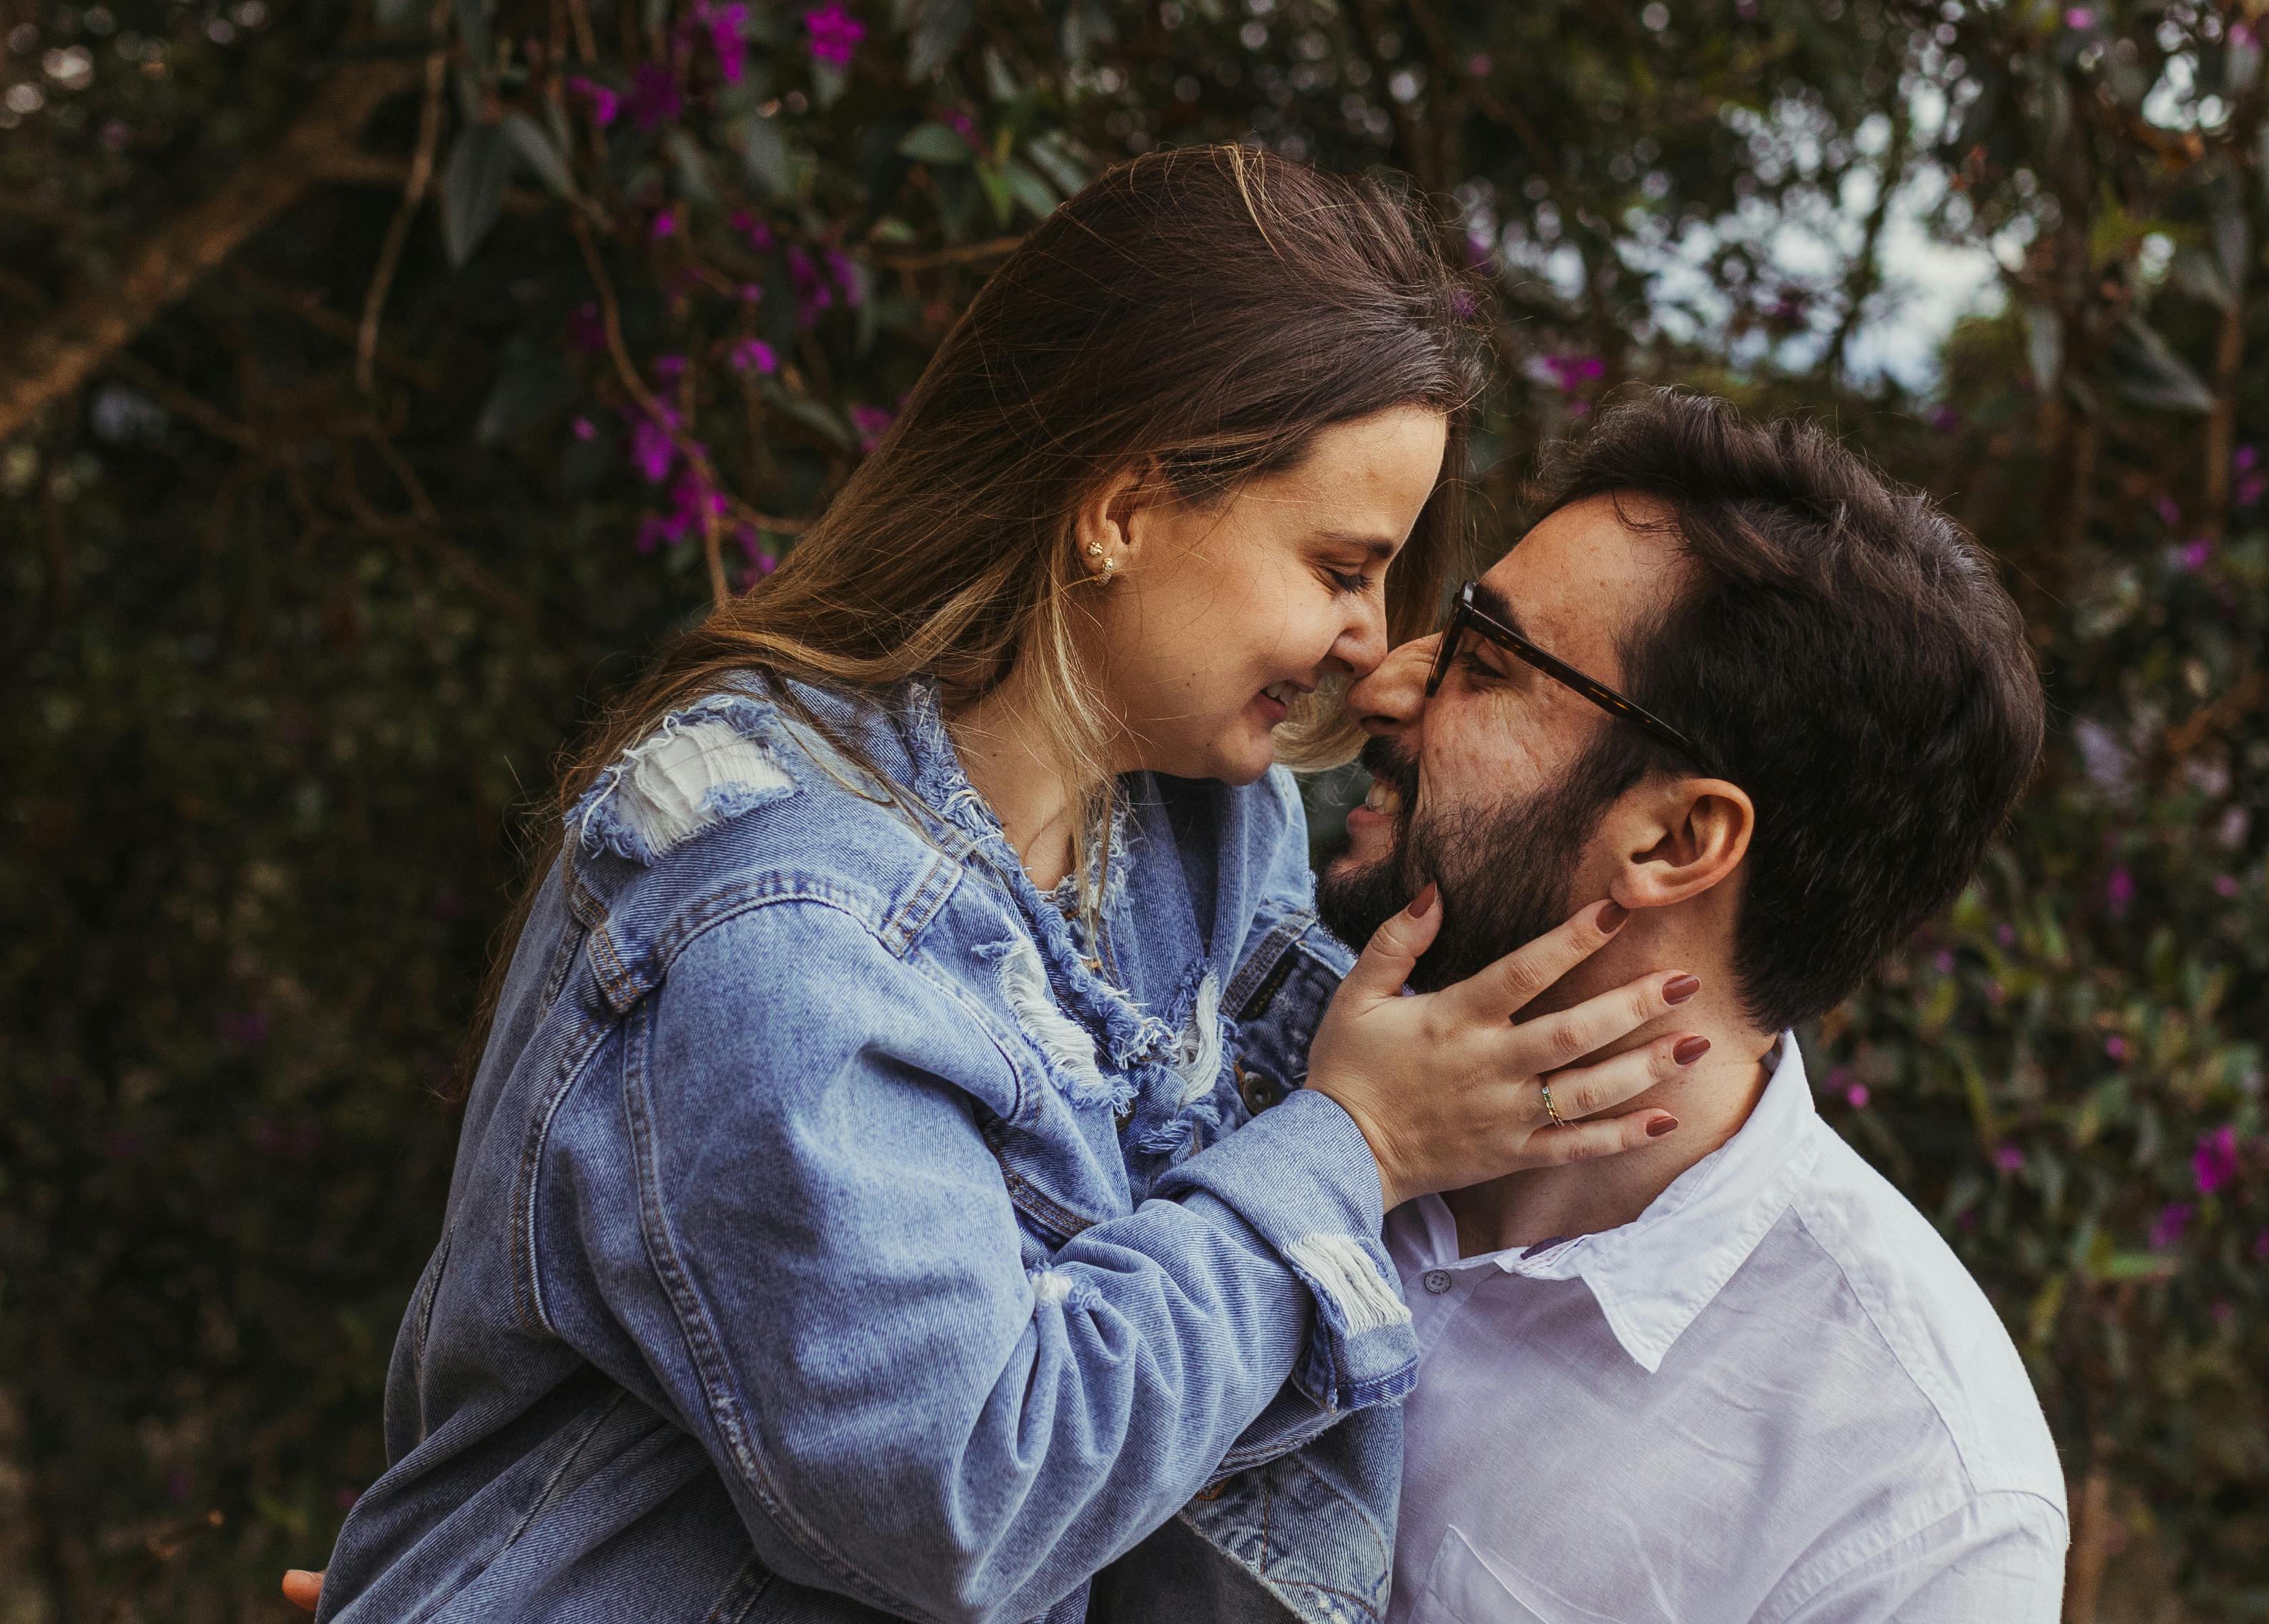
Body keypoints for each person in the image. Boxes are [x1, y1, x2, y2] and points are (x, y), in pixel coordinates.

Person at [301, 148, 1706, 1624]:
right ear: (1120, 506)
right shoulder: (784, 922)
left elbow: (1309, 1109)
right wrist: (1349, 1145)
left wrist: (1463, 759)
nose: (1370, 637)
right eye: (1340, 565)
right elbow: (967, 1494)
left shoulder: (1200, 833)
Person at [1315, 390, 2066, 1621]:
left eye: (1487, 666)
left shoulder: (1912, 1501)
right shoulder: (1218, 1030)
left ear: (1678, 838)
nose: (1389, 691)